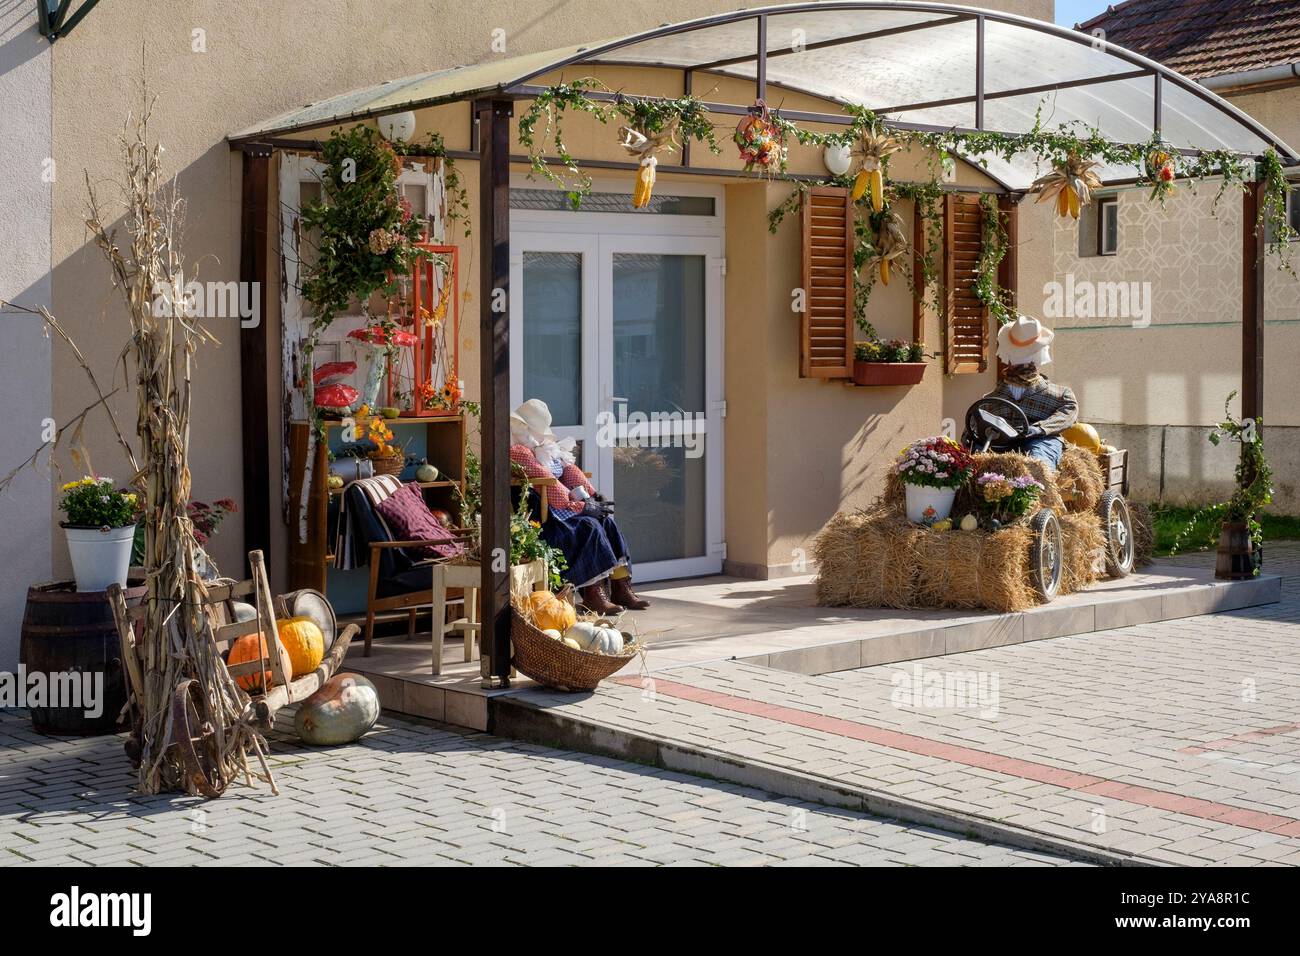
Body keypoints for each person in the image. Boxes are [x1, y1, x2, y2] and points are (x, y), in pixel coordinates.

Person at [508, 399, 650, 614]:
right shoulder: (519, 451)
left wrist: (592, 496)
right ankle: (593, 593)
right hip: (544, 516)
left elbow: (568, 470)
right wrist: (579, 507)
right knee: (587, 527)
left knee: (605, 522)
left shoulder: (544, 448)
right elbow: (547, 480)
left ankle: (621, 587)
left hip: (559, 508)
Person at [985, 314, 1078, 470]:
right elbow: (976, 421)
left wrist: (1039, 429)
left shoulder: (1061, 395)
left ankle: (1036, 488)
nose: (1018, 358)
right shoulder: (993, 398)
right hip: (1000, 440)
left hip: (1040, 439)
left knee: (1038, 461)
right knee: (974, 458)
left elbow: (1068, 413)